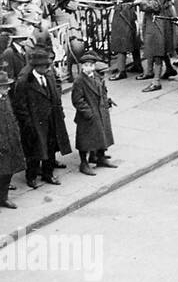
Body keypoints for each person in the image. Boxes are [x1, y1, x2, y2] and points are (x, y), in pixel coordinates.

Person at [12, 47, 71, 188]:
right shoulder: (25, 81)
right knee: (34, 151)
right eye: (44, 66)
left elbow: (55, 97)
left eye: (47, 66)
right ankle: (31, 177)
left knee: (50, 149)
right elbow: (20, 106)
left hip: (50, 119)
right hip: (34, 122)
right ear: (36, 67)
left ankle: (48, 174)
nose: (47, 68)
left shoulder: (48, 76)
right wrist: (28, 124)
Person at [70, 60, 117, 176]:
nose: (89, 68)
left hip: (100, 111)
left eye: (91, 65)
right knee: (85, 140)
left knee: (102, 135)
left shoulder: (97, 78)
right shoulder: (79, 81)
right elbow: (77, 100)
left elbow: (103, 92)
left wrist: (106, 103)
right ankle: (84, 163)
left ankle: (100, 157)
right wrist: (88, 113)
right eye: (86, 65)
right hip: (87, 116)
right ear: (82, 67)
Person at [0, 69, 26, 208]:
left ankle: (3, 198)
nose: (8, 88)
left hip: (10, 140)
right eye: (5, 86)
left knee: (7, 173)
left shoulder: (5, 98)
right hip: (1, 145)